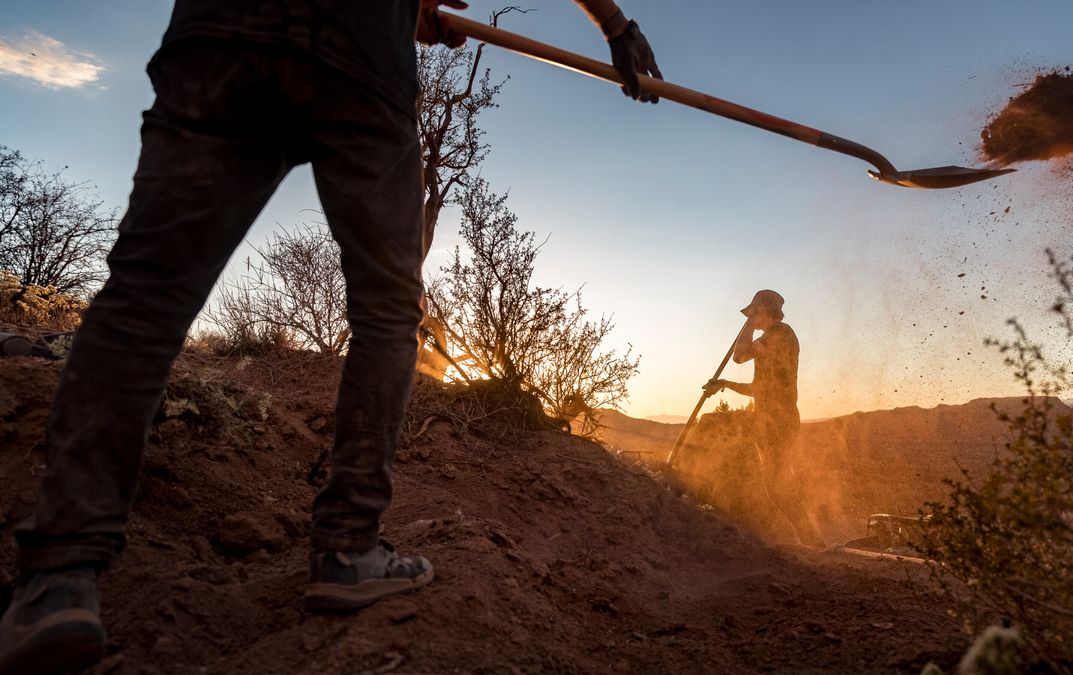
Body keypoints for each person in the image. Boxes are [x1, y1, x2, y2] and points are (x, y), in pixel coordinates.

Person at [0, 1, 661, 672]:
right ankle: (346, 547)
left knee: (146, 294)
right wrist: (613, 25)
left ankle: (56, 579)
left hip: (228, 30)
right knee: (387, 312)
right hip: (360, 53)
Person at [703, 290, 811, 543]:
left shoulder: (779, 336)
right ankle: (810, 540)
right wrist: (726, 383)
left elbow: (739, 356)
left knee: (778, 483)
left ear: (763, 311)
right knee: (777, 484)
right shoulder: (771, 337)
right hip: (767, 418)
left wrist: (748, 325)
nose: (749, 318)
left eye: (753, 313)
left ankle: (813, 542)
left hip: (779, 420)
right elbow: (755, 382)